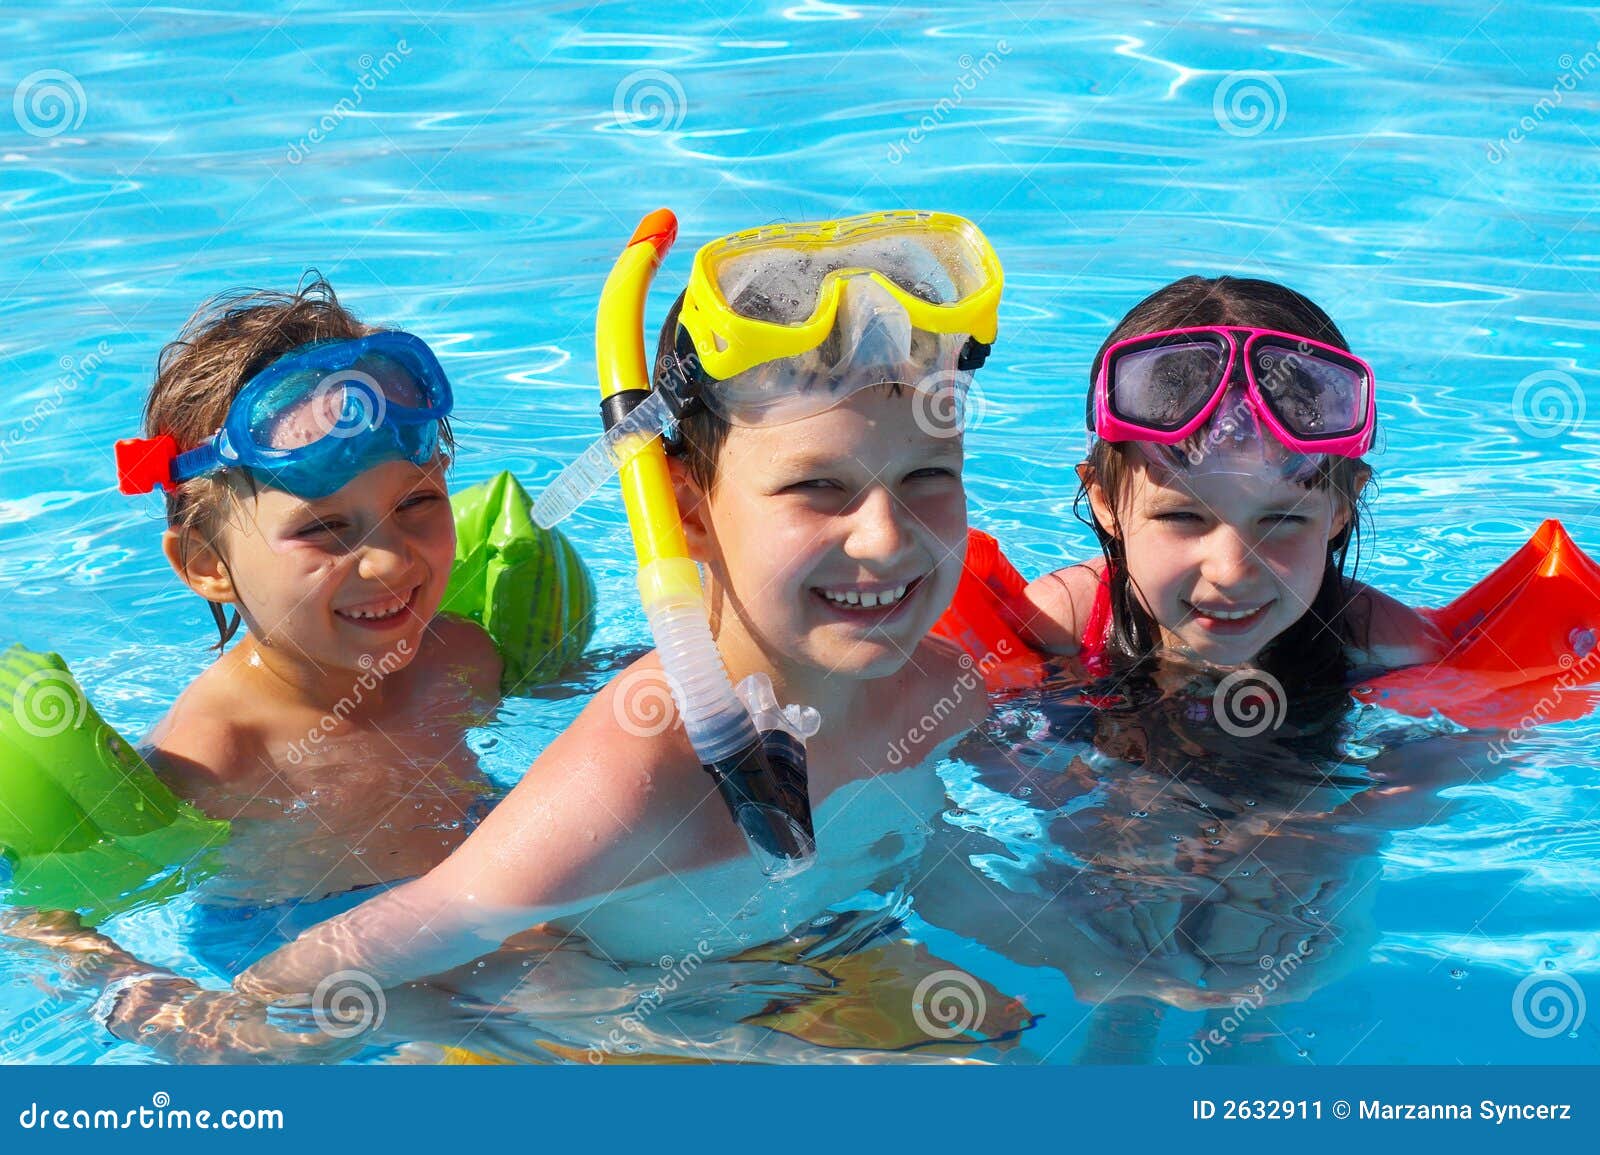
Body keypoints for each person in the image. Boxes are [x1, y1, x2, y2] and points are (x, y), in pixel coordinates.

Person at [98, 211, 1010, 1060]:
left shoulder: (463, 657)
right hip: (384, 947)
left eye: (927, 472)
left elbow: (937, 863)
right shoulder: (212, 753)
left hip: (712, 945)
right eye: (818, 487)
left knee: (994, 1036)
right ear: (687, 511)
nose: (886, 538)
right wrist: (211, 1023)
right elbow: (325, 959)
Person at [1014, 276, 1446, 690]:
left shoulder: (1388, 647)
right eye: (1182, 516)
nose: (1232, 573)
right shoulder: (1063, 621)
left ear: (1340, 507)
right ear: (1105, 502)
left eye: (1281, 519)